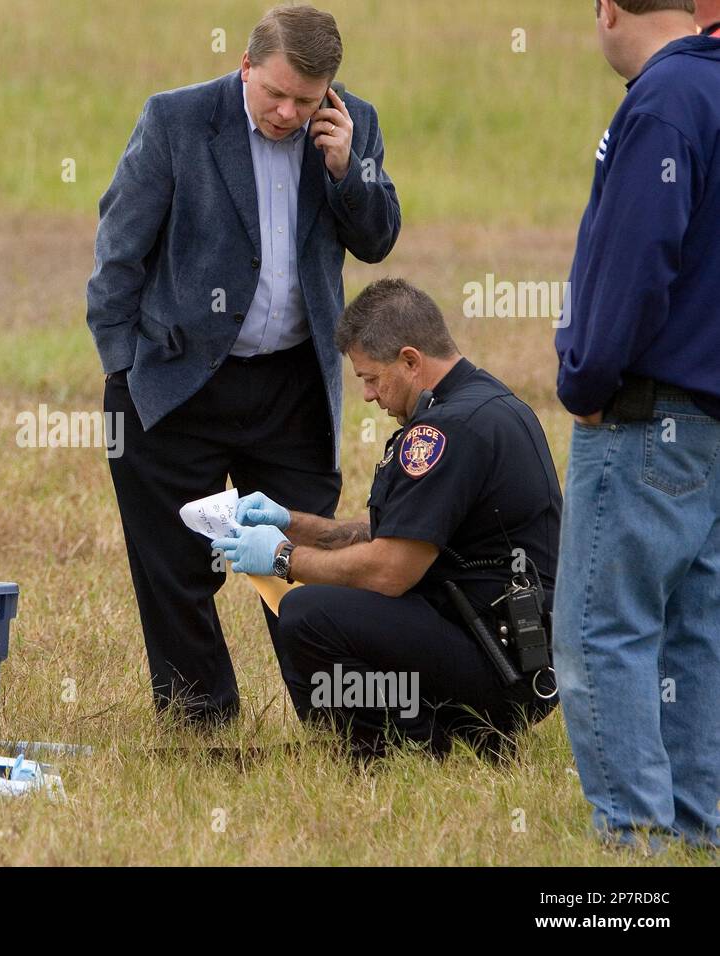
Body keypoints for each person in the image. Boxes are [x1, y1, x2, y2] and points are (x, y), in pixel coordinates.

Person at [87, 4, 399, 727]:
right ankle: (201, 721)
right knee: (174, 569)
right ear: (246, 67)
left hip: (292, 387)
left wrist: (348, 170)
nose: (290, 111)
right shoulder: (175, 120)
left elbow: (378, 239)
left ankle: (337, 721)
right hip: (175, 384)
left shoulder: (356, 125)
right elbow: (118, 253)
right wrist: (122, 373)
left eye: (307, 98)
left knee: (305, 557)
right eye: (276, 93)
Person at [213, 279, 562, 759]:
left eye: (371, 378)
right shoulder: (485, 403)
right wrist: (290, 522)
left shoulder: (444, 431)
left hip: (496, 663)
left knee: (308, 612)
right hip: (512, 653)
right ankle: (443, 726)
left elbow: (389, 571)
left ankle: (402, 742)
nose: (368, 396)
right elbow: (399, 531)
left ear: (411, 360)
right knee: (328, 597)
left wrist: (282, 559)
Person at [553, 0, 720, 849]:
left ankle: (637, 851)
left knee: (601, 632)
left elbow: (634, 261)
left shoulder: (663, 101)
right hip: (713, 427)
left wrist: (586, 374)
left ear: (609, 9)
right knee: (696, 633)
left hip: (647, 419)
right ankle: (697, 834)